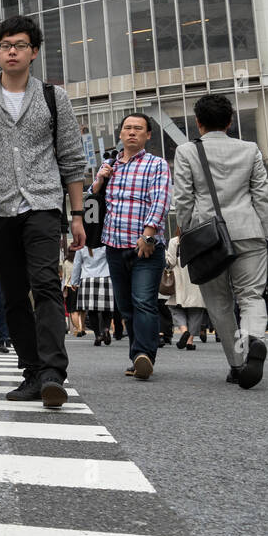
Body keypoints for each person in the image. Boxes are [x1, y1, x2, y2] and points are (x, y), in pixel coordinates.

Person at [0, 15, 86, 409]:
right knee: (11, 293)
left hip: (43, 205)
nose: (12, 51)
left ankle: (52, 372)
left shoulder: (52, 97)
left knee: (44, 283)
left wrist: (77, 214)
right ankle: (31, 372)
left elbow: (71, 160)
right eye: (6, 45)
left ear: (34, 52)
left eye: (21, 45)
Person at [172, 94, 268, 389]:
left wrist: (188, 231)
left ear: (198, 123)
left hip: (208, 236)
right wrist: (262, 231)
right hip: (248, 231)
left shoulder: (187, 151)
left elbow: (183, 199)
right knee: (251, 295)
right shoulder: (250, 149)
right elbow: (262, 196)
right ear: (230, 121)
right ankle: (253, 337)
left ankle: (239, 364)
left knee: (218, 302)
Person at [92, 113, 170, 380]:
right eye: (127, 128)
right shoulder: (110, 164)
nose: (132, 132)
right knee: (125, 307)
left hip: (144, 247)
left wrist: (148, 235)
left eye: (138, 128)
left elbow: (160, 201)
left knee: (144, 302)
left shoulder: (157, 164)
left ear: (148, 135)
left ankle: (145, 354)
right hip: (114, 246)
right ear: (121, 134)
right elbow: (94, 200)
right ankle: (137, 356)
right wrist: (101, 179)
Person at [165, 230, 206, 349]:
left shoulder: (175, 241)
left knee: (175, 308)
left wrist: (165, 254)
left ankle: (184, 331)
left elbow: (171, 262)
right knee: (196, 310)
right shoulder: (201, 239)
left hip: (179, 280)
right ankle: (190, 341)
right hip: (196, 278)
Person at [72, 241, 114, 345]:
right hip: (106, 277)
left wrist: (74, 281)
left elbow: (77, 263)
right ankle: (106, 329)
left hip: (88, 278)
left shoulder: (82, 245)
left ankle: (98, 335)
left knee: (91, 311)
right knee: (107, 309)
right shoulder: (106, 243)